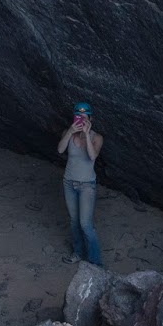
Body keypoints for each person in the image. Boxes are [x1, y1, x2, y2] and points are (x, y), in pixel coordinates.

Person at [56, 101, 102, 265]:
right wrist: (70, 131)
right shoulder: (68, 133)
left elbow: (92, 156)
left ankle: (95, 263)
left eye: (84, 118)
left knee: (86, 224)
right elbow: (60, 150)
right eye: (78, 117)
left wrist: (87, 134)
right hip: (69, 183)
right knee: (74, 221)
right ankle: (78, 253)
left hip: (87, 186)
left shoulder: (96, 137)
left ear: (90, 119)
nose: (81, 120)